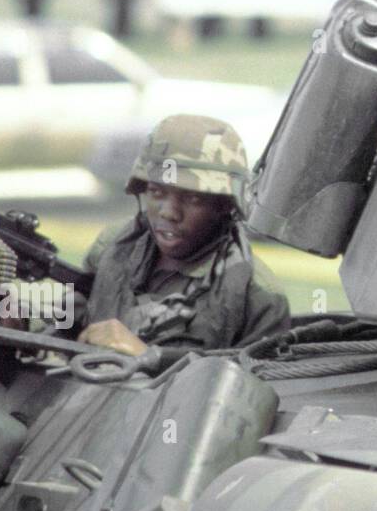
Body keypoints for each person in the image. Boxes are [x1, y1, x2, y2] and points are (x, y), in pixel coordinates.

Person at [76, 114, 290, 358]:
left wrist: (149, 356)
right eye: (156, 192)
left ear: (224, 205)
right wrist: (29, 327)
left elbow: (255, 385)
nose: (169, 212)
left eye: (193, 198)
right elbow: (70, 317)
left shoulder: (257, 295)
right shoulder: (114, 246)